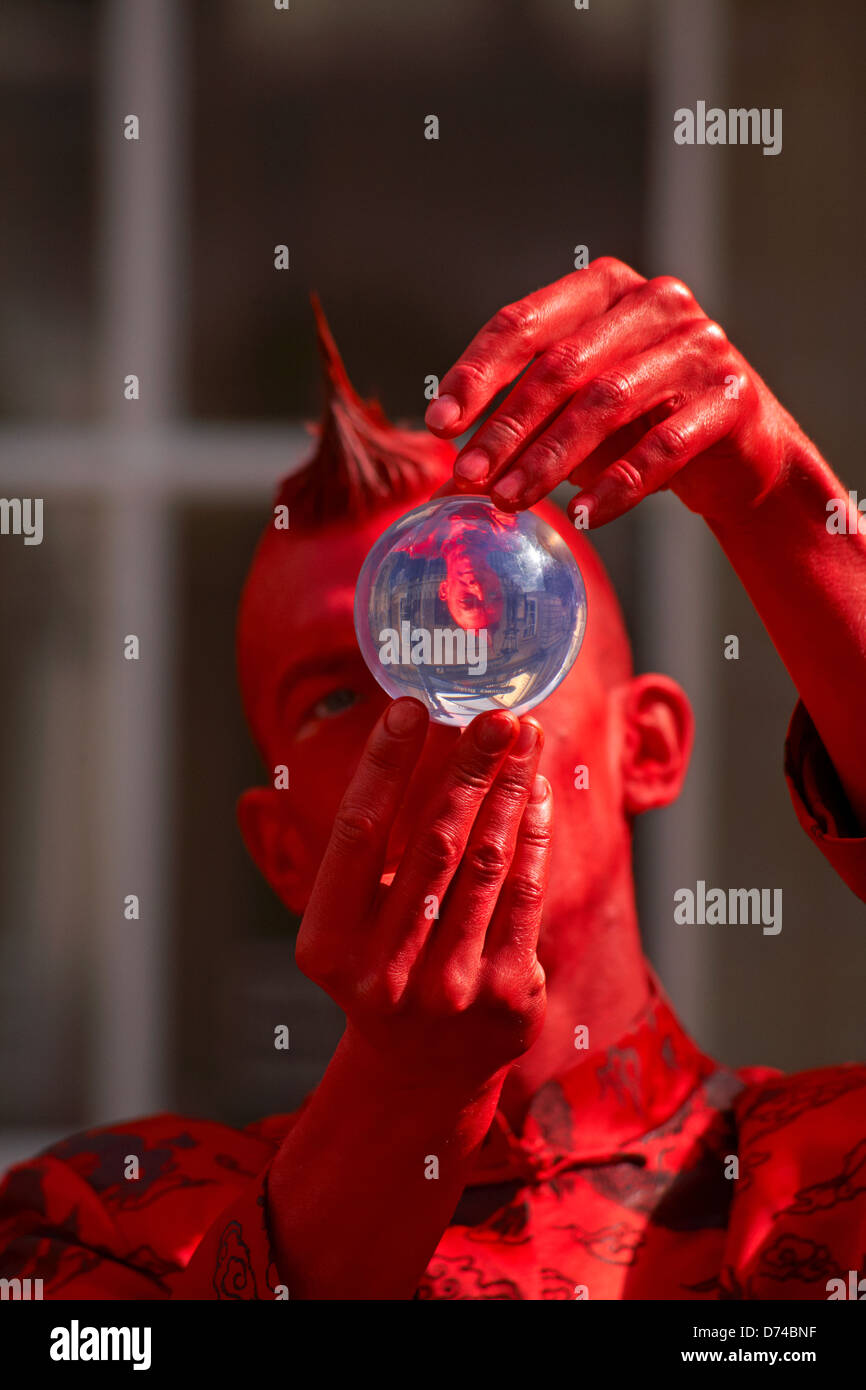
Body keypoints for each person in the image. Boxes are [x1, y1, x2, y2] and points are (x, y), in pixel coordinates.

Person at [1, 262, 864, 1301]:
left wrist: (779, 500)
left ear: (647, 745)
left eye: (485, 623)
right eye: (331, 698)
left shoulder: (824, 1172)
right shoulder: (110, 1215)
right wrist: (402, 1094)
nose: (426, 715)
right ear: (281, 849)